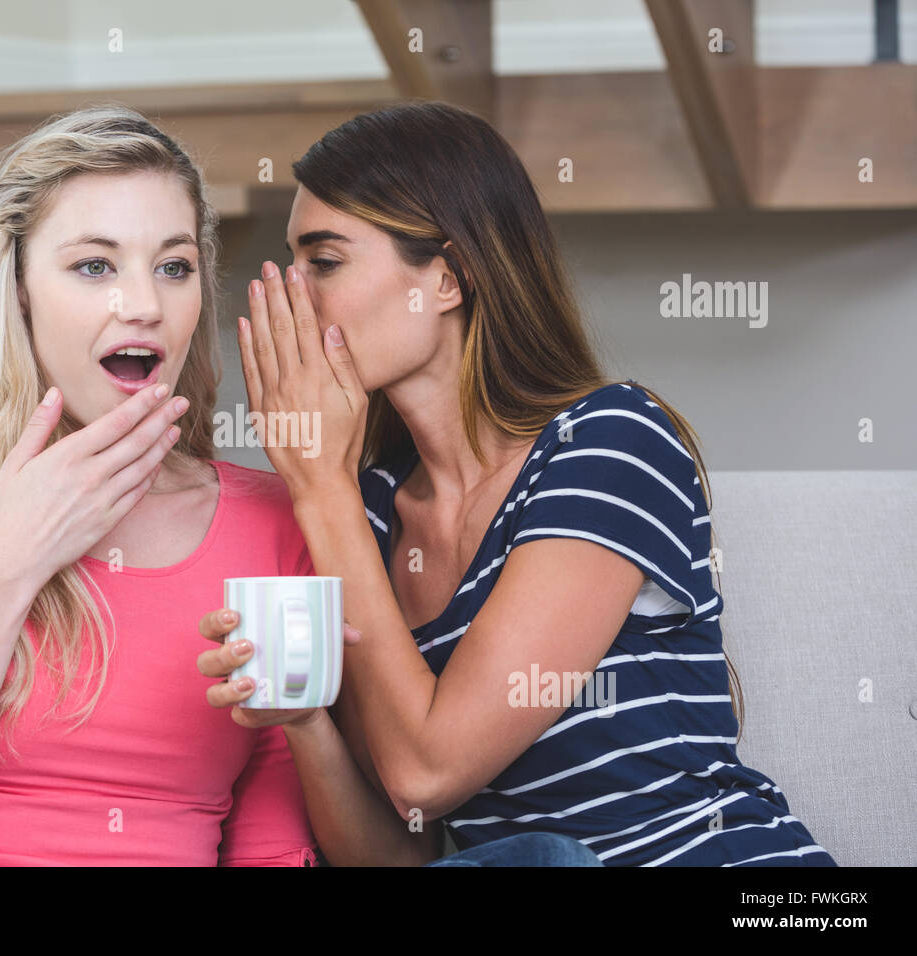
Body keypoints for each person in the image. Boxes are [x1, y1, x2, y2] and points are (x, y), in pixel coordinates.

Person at [198, 101, 835, 867]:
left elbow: (428, 771)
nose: (294, 298)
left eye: (325, 262)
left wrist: (319, 487)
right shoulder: (367, 514)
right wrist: (301, 720)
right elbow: (404, 846)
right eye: (291, 263)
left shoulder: (610, 443)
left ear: (448, 277)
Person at [0, 105, 350, 866]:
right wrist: (7, 564)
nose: (144, 305)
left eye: (173, 266)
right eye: (95, 266)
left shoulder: (271, 520)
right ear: (16, 288)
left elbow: (271, 850)